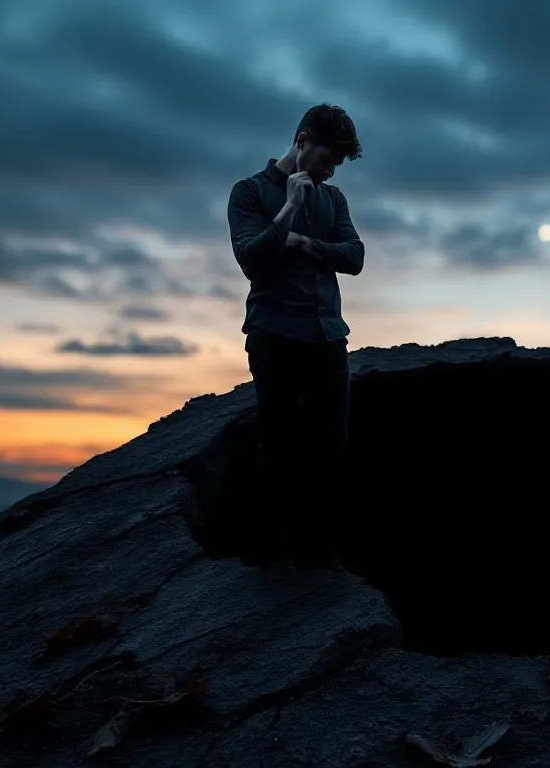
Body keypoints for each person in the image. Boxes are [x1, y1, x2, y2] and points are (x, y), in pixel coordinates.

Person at [227, 103, 364, 571]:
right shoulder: (248, 192)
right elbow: (252, 258)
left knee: (332, 444)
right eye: (327, 159)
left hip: (328, 336)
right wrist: (290, 207)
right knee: (279, 443)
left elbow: (355, 255)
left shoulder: (334, 199)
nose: (329, 171)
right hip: (274, 334)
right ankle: (265, 557)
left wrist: (306, 245)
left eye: (336, 165)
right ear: (303, 140)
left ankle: (318, 553)